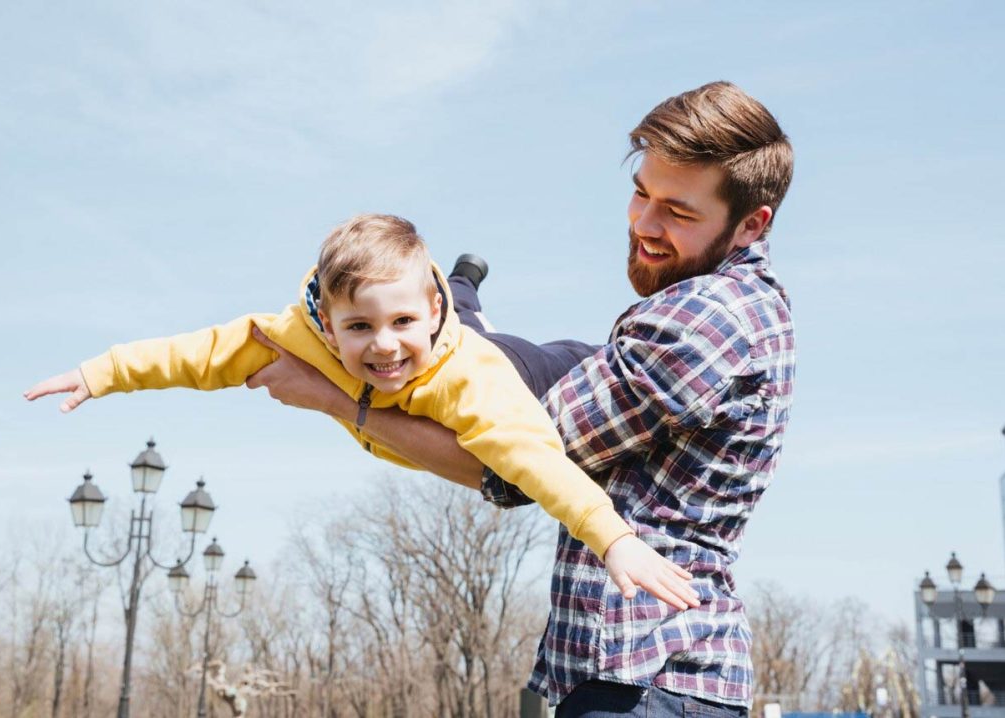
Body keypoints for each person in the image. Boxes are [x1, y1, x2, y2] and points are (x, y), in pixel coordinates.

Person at [243, 81, 796, 716]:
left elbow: (507, 463)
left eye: (679, 211)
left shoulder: (699, 322)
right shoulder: (736, 309)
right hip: (649, 678)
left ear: (751, 224)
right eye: (642, 193)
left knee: (504, 359)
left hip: (643, 675)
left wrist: (334, 397)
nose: (644, 224)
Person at [24, 213, 700, 610]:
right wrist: (101, 372)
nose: (382, 348)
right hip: (443, 321)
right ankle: (463, 282)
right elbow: (196, 354)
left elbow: (534, 463)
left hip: (529, 369)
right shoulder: (294, 332)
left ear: (426, 312)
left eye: (402, 320)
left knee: (530, 351)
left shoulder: (475, 382)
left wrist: (613, 538)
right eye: (358, 328)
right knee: (454, 316)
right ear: (325, 318)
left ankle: (464, 288)